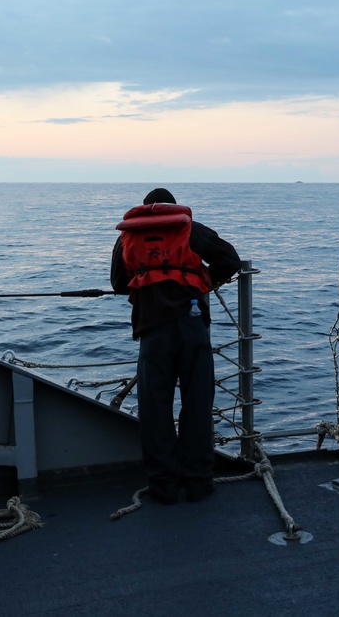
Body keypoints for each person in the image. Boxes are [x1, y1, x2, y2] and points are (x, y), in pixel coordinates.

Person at [111, 188, 241, 504]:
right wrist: (205, 279)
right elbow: (230, 260)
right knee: (196, 407)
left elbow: (118, 283)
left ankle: (164, 487)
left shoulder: (129, 235)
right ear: (174, 206)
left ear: (145, 210)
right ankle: (198, 484)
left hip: (153, 332)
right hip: (193, 329)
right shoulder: (189, 229)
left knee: (155, 411)